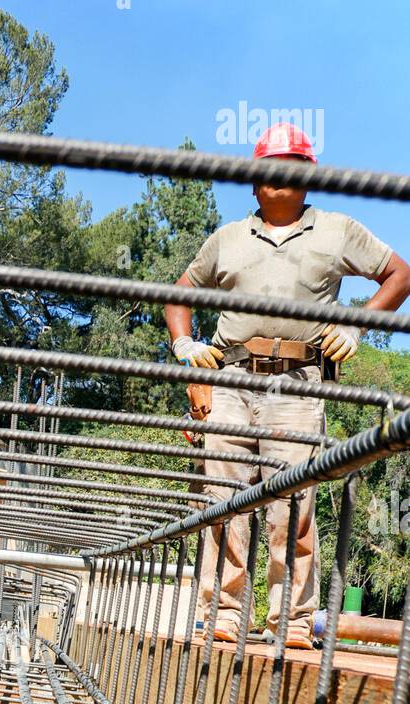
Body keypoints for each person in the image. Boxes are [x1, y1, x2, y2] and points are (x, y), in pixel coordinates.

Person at [164, 122, 410, 647]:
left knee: (293, 504)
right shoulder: (227, 239)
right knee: (224, 499)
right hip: (230, 376)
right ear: (253, 181)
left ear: (307, 178)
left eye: (292, 164)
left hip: (298, 381)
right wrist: (186, 351)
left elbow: (400, 275)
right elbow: (178, 293)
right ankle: (223, 613)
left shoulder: (338, 230)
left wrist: (353, 325)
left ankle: (292, 620)